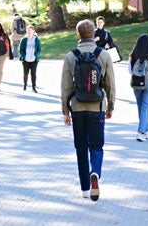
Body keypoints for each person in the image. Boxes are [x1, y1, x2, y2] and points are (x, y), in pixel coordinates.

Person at [61, 19, 115, 202]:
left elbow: (66, 87)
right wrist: (111, 107)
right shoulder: (103, 55)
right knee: (97, 146)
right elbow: (110, 84)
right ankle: (96, 173)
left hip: (77, 108)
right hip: (97, 107)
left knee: (81, 148)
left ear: (78, 35)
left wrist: (65, 112)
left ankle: (85, 188)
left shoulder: (71, 56)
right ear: (93, 34)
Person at [18, 25, 41, 93]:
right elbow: (21, 50)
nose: (29, 32)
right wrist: (24, 56)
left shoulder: (36, 39)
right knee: (25, 73)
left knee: (33, 73)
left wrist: (35, 55)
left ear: (33, 31)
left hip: (34, 60)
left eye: (30, 30)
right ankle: (25, 84)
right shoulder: (24, 39)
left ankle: (34, 87)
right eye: (28, 31)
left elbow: (39, 50)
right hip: (26, 60)